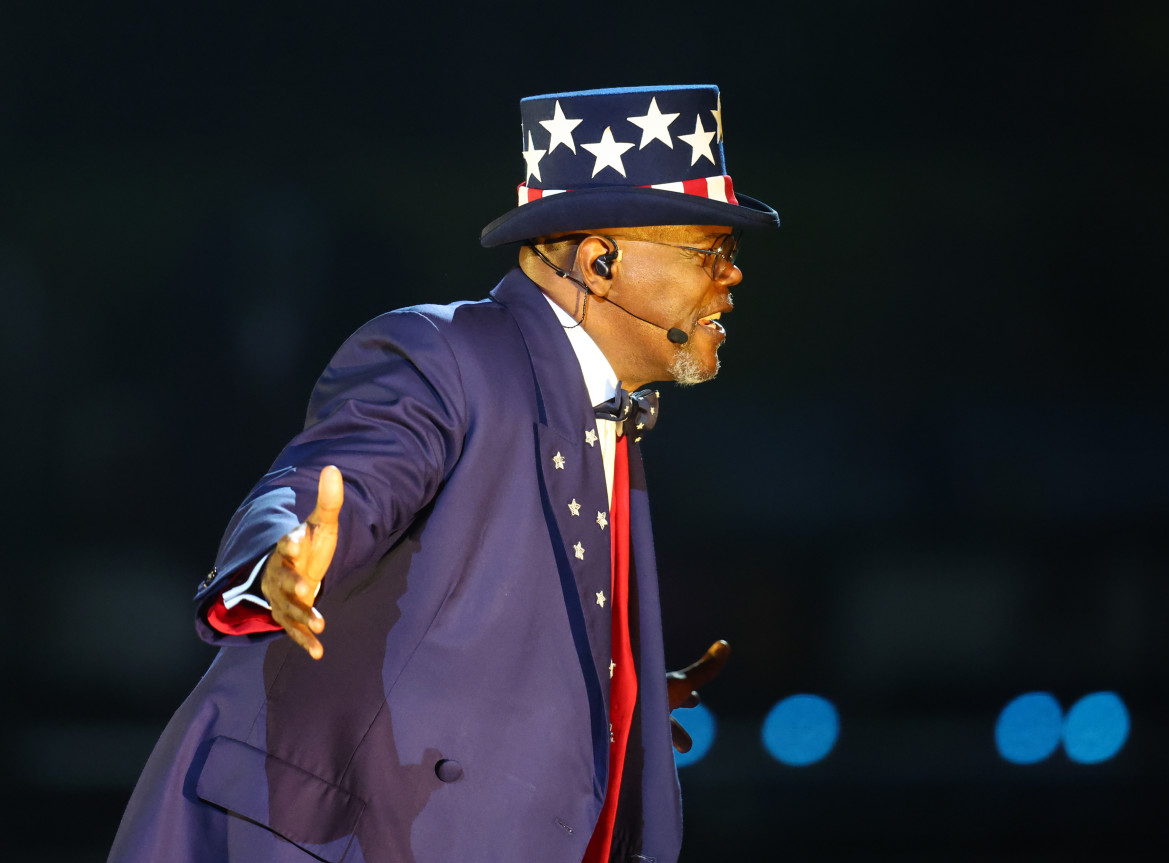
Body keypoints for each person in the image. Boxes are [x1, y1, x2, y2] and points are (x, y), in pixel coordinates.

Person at [109, 84, 779, 863]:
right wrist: (281, 558)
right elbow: (331, 480)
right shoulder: (450, 353)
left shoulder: (602, 408)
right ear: (601, 262)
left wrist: (607, 690)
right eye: (712, 252)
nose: (732, 277)